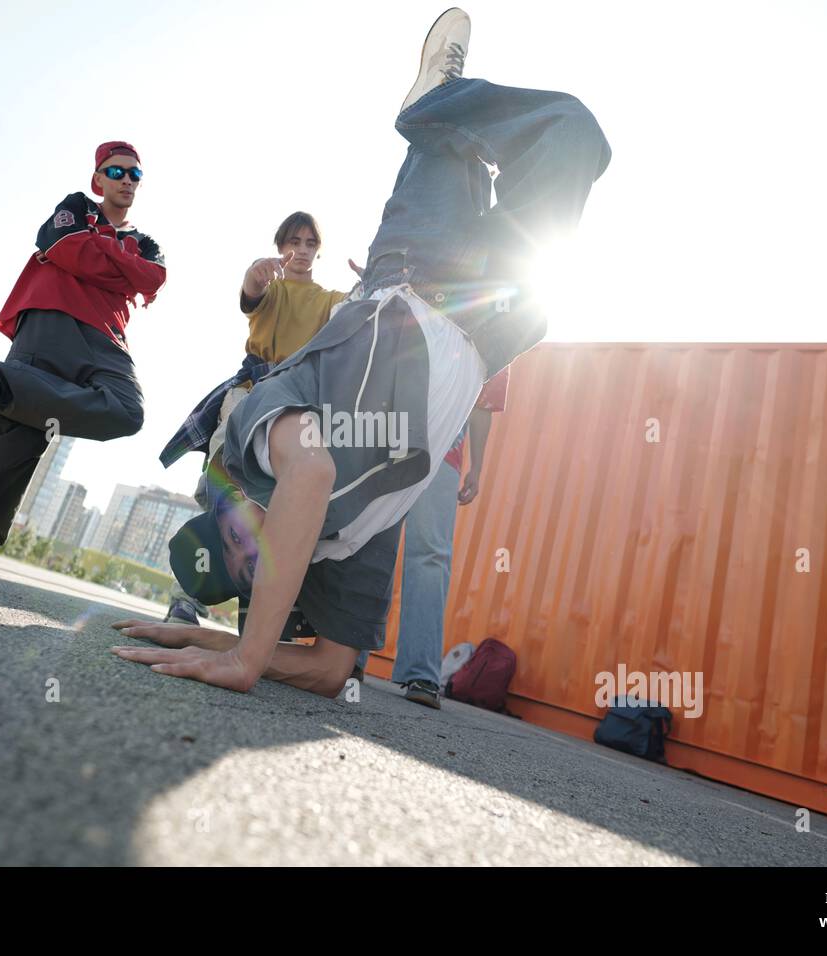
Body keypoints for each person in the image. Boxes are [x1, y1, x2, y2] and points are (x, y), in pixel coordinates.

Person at [110, 7, 610, 697]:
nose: (248, 536)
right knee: (575, 138)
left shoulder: (255, 435)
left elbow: (309, 471)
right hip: (493, 324)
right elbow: (325, 668)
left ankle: (437, 103)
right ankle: (444, 112)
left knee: (537, 129)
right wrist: (223, 638)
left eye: (229, 529)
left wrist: (246, 656)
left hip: (417, 270)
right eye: (244, 555)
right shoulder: (352, 535)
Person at [0, 142, 166, 568]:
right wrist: (117, 269)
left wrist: (92, 253)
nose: (127, 180)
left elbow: (153, 278)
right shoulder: (77, 206)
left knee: (126, 412)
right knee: (16, 434)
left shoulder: (147, 242)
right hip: (49, 317)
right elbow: (62, 245)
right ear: (98, 179)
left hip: (107, 337)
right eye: (116, 172)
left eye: (135, 174)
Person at [159, 212, 347, 625]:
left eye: (310, 242)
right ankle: (188, 599)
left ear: (319, 249)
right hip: (249, 395)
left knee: (277, 507)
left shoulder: (329, 298)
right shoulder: (272, 288)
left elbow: (354, 312)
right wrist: (255, 276)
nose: (301, 249)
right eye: (293, 241)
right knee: (220, 490)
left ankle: (259, 617)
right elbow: (252, 293)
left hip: (294, 409)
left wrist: (372, 287)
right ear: (281, 246)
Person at [356, 364, 510, 708]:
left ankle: (421, 673)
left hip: (443, 451)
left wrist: (477, 466)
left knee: (427, 553)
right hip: (390, 437)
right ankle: (348, 655)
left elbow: (482, 401)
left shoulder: (503, 324)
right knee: (375, 542)